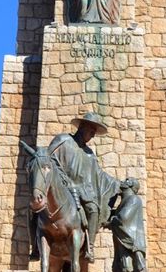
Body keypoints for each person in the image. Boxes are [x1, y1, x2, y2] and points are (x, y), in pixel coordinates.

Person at [39, 112, 119, 262]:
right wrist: (64, 179)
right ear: (82, 127)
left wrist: (118, 184)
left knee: (93, 209)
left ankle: (90, 246)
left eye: (94, 133)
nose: (93, 135)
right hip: (60, 186)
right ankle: (36, 246)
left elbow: (99, 175)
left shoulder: (89, 154)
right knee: (36, 207)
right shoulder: (63, 140)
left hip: (82, 190)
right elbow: (48, 159)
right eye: (91, 131)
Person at [109, 177, 148, 272]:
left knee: (138, 270)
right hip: (123, 241)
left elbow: (123, 218)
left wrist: (111, 220)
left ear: (131, 185)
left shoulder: (133, 199)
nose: (122, 182)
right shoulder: (124, 202)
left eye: (126, 180)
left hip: (132, 242)